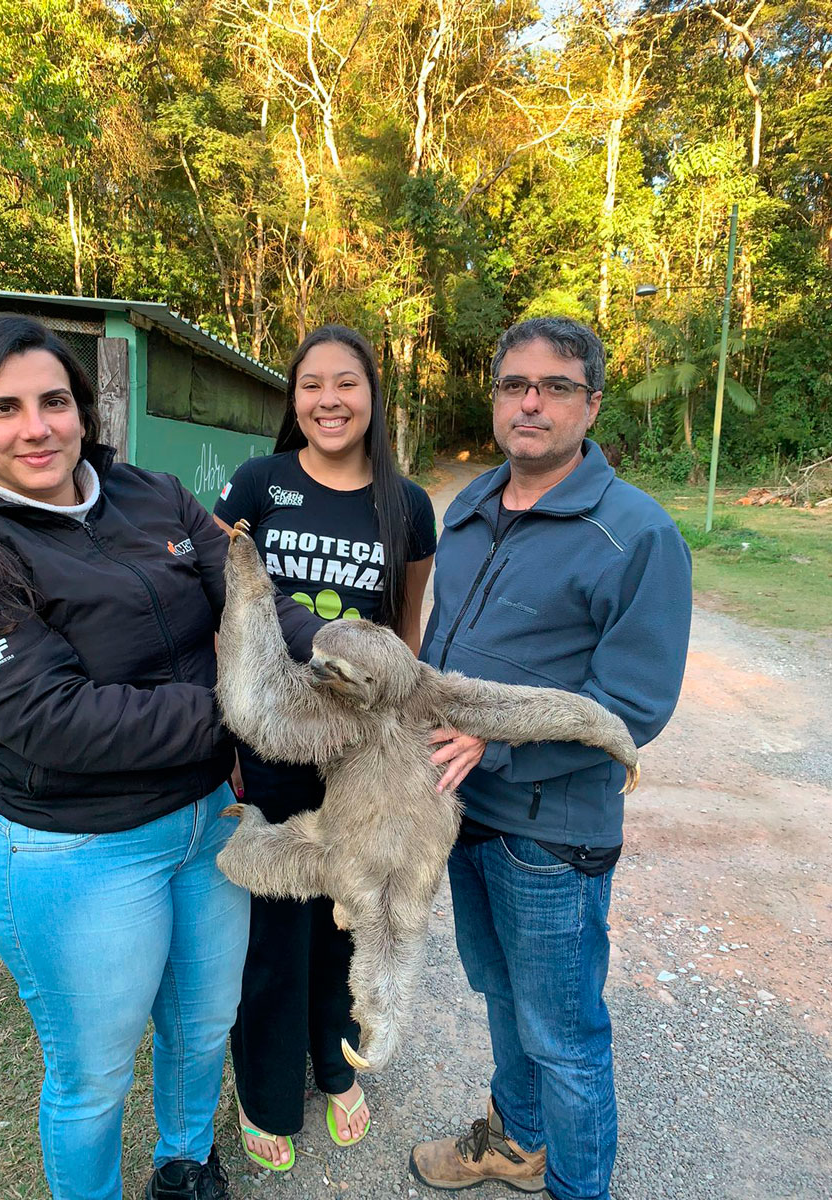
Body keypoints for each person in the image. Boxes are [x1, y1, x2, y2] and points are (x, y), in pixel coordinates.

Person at [0, 317, 320, 1200]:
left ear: (83, 407)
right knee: (94, 1074)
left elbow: (253, 602)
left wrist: (341, 654)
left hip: (208, 823)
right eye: (4, 409)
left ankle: (184, 1164)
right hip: (80, 849)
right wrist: (246, 708)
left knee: (203, 1025)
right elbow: (52, 718)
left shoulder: (153, 495)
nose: (37, 428)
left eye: (54, 401)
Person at [410, 317, 692, 1200]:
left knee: (564, 1037)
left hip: (550, 836)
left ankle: (578, 1186)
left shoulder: (636, 535)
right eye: (514, 385)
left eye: (556, 387)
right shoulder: (472, 507)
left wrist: (495, 741)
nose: (531, 403)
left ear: (591, 404)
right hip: (463, 813)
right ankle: (519, 1142)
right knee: (500, 996)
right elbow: (441, 651)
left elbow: (633, 706)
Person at [213, 324, 436, 1171]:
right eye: (312, 384)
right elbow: (222, 609)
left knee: (350, 910)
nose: (329, 400)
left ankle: (337, 1067)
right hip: (270, 739)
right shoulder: (258, 483)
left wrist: (403, 751)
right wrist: (231, 734)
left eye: (347, 383)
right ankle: (267, 1092)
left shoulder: (407, 506)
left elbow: (405, 636)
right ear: (294, 397)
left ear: (373, 394)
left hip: (358, 753)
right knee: (274, 928)